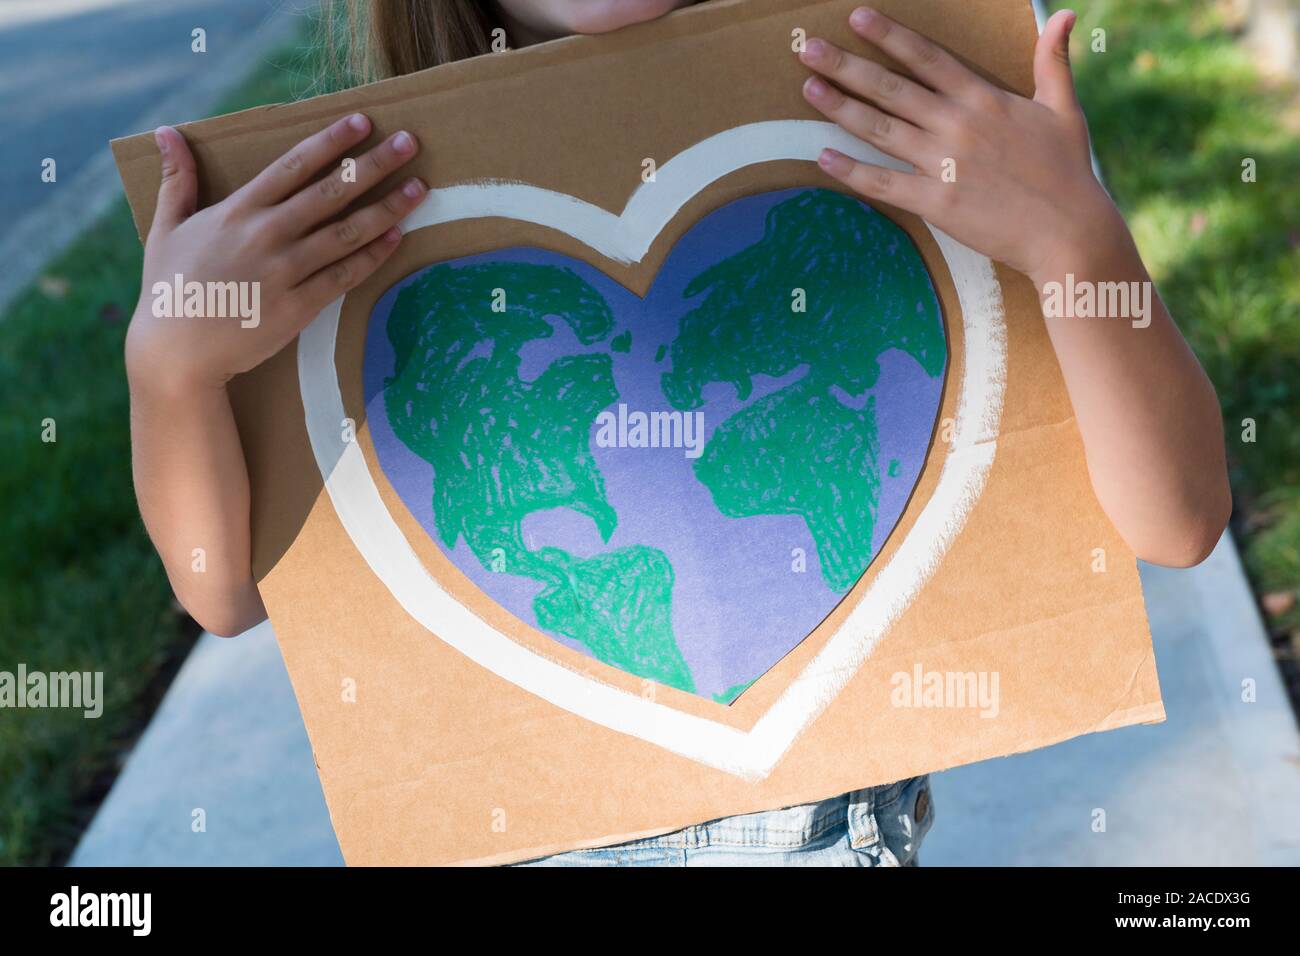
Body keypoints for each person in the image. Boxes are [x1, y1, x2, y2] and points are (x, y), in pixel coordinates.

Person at [125, 2, 1230, 866]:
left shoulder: (930, 125)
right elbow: (225, 592)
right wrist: (171, 369)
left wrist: (1079, 246)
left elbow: (1175, 522)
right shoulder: (336, 218)